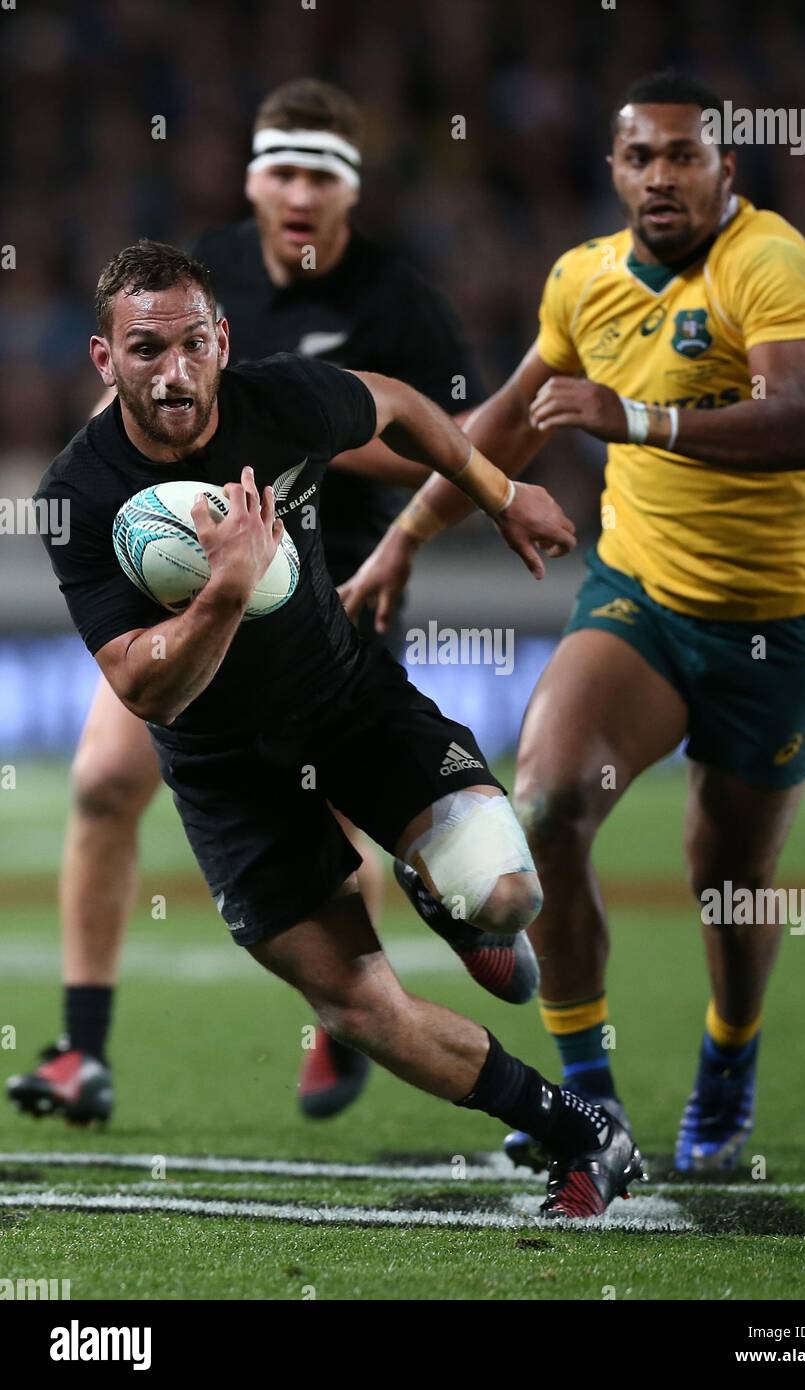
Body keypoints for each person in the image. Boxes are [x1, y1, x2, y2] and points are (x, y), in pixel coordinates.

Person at [24, 240, 644, 1220]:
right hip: (226, 771)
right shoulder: (75, 497)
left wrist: (499, 494)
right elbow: (144, 692)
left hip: (345, 703)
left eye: (192, 343)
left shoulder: (281, 402)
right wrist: (226, 591)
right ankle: (580, 1127)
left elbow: (397, 403)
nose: (173, 370)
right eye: (145, 349)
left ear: (222, 340)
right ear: (104, 360)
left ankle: (441, 892)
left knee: (509, 898)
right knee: (356, 1007)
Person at [338, 71, 805, 1174]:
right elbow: (506, 424)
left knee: (729, 875)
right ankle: (586, 1089)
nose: (659, 174)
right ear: (613, 170)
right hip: (643, 603)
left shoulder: (768, 261)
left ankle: (729, 1053)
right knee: (548, 802)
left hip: (771, 623)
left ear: (726, 169)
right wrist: (405, 538)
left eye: (682, 154)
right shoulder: (584, 279)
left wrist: (641, 417)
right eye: (639, 157)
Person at [7, 78, 488, 1125]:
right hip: (193, 580)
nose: (297, 190)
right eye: (280, 167)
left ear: (350, 189)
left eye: (320, 170)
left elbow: (443, 435)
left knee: (333, 802)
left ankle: (361, 995)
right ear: (253, 179)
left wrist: (399, 514)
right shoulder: (204, 275)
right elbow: (130, 401)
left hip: (335, 580)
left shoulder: (396, 305)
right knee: (101, 780)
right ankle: (80, 1052)